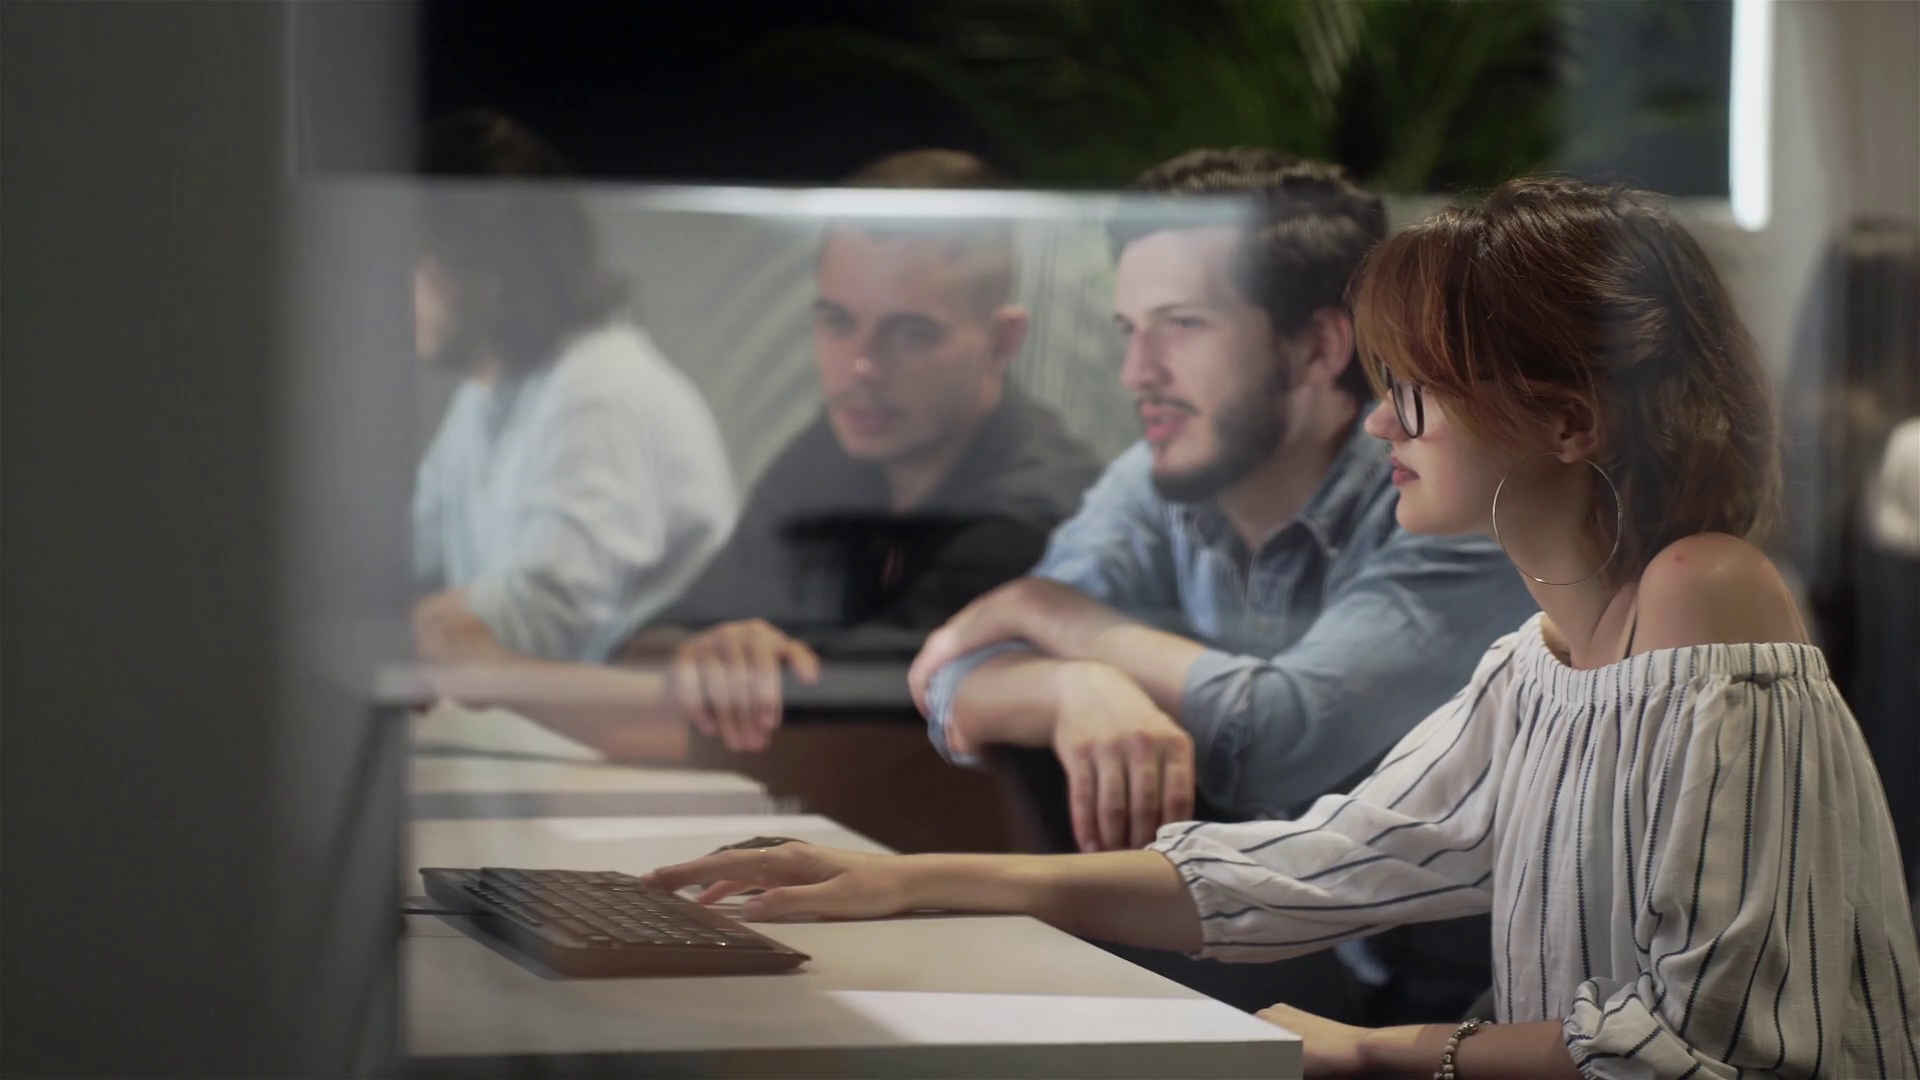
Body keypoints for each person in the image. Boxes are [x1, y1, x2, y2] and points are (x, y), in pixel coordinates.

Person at [648, 177, 1920, 1078]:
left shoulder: (1704, 587)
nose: (1381, 428)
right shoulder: (1536, 659)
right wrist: (912, 883)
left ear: (1572, 422)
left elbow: (1712, 1046)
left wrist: (1381, 1054)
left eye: (1416, 394)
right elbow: (1320, 862)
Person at [909, 149, 1536, 1022]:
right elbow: (954, 677)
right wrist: (1072, 686)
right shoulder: (1162, 477)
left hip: (1457, 1023)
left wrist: (1054, 617)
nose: (1137, 373)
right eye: (1130, 330)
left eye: (1182, 325)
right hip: (1263, 982)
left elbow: (1278, 738)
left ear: (1318, 346)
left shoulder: (1443, 494)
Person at [624, 150, 1101, 753]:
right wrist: (697, 651)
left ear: (1003, 341)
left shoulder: (1039, 512)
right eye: (836, 323)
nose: (861, 368)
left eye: (912, 333)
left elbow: (844, 708)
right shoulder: (840, 444)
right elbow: (643, 647)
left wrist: (733, 670)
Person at [410, 110, 736, 664]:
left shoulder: (599, 389)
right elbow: (408, 560)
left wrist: (418, 625)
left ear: (485, 274)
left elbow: (541, 618)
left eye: (416, 263)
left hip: (632, 737)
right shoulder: (488, 394)